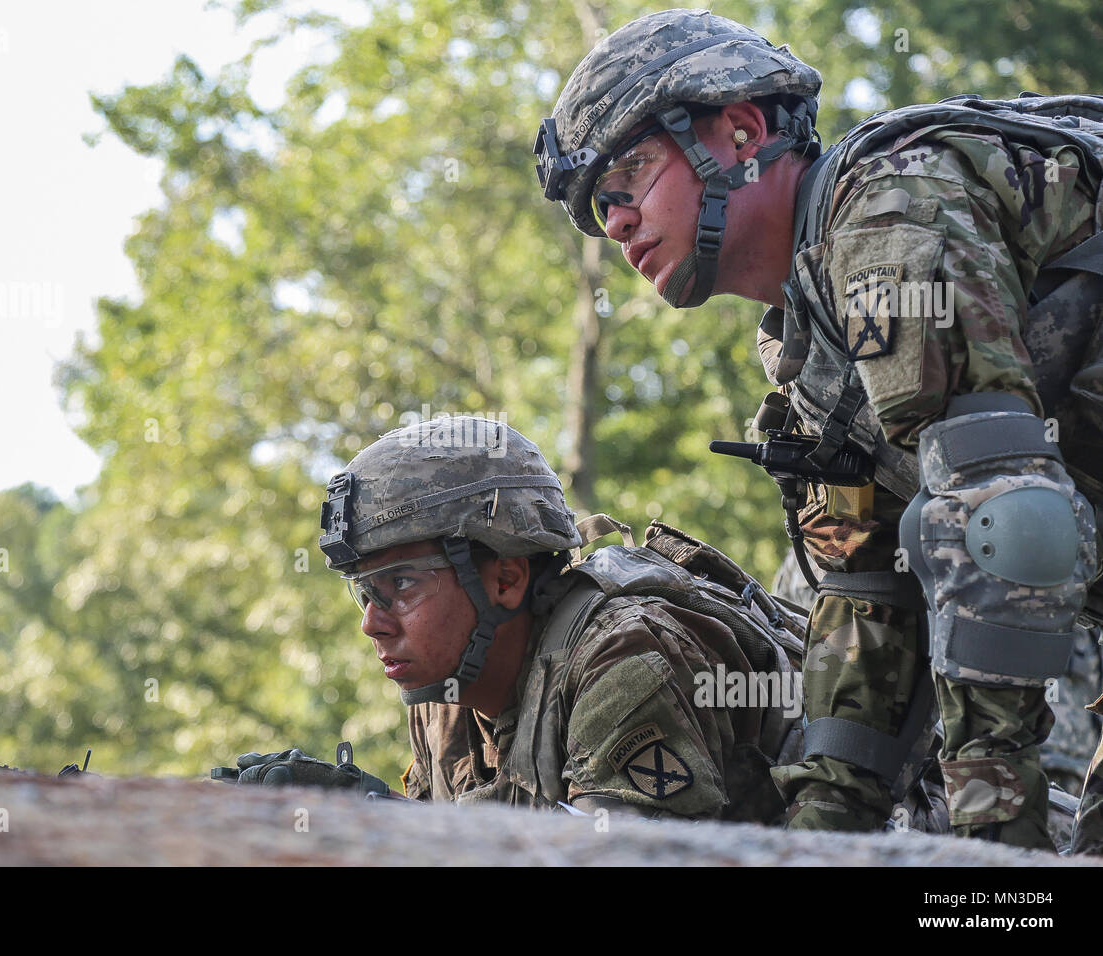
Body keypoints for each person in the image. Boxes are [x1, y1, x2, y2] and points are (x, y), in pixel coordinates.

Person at [535, 8, 1103, 851]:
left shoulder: (887, 210)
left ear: (739, 131)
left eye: (631, 175)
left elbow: (1010, 520)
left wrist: (993, 848)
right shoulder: (811, 358)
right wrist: (820, 838)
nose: (615, 222)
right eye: (600, 207)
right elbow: (866, 608)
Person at [235, 415, 806, 822]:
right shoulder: (447, 695)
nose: (373, 624)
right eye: (365, 592)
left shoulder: (624, 662)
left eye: (401, 584)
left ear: (505, 580)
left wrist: (384, 831)